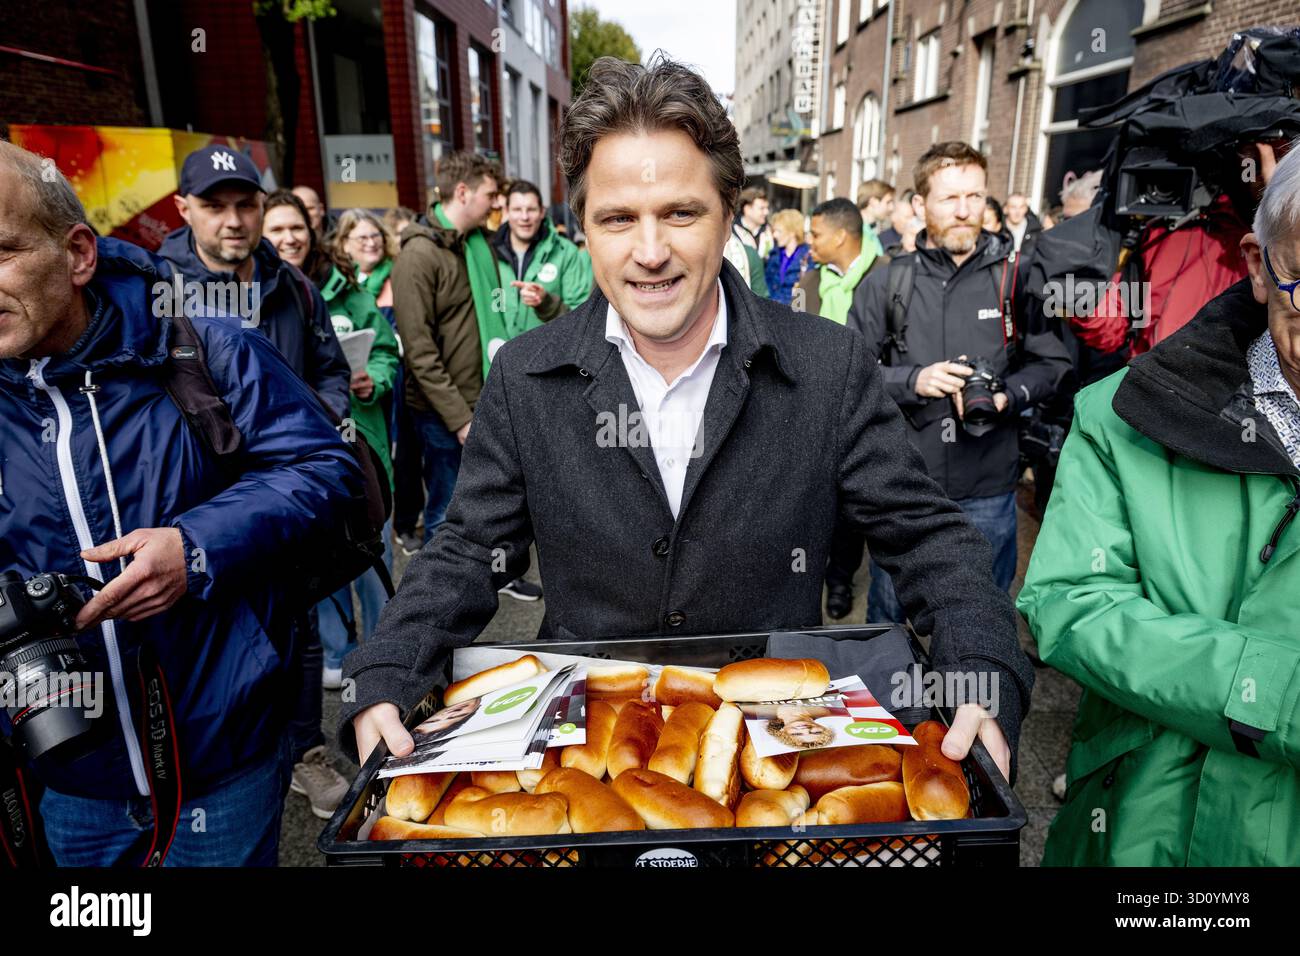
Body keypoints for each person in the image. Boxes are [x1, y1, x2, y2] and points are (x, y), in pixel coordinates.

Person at [345, 56, 1034, 786]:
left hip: (772, 761)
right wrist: (385, 671)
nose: (649, 252)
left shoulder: (827, 366)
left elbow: (926, 535)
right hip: (590, 761)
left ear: (729, 214)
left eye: (680, 212)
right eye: (617, 219)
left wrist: (982, 665)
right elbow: (467, 548)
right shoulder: (525, 373)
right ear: (582, 226)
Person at [0, 141, 363, 865]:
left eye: (2, 251)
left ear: (77, 254)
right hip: (70, 780)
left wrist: (195, 548)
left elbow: (328, 467)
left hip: (220, 759)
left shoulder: (207, 346)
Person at [1016, 141, 1300, 866]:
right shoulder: (1118, 415)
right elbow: (1068, 599)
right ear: (1260, 267)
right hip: (1141, 838)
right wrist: (1270, 688)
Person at [159, 147, 354, 819]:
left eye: (246, 204)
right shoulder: (157, 295)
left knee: (298, 633)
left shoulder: (292, 285)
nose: (234, 221)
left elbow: (328, 364)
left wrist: (316, 419)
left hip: (287, 507)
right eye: (215, 206)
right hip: (201, 513)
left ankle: (305, 754)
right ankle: (211, 779)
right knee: (216, 649)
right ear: (184, 209)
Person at [848, 141, 1071, 624]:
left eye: (974, 196)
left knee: (983, 620)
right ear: (919, 205)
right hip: (905, 487)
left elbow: (1053, 364)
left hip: (989, 485)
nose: (964, 211)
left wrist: (1007, 396)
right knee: (891, 622)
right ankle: (895, 702)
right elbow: (847, 377)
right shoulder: (885, 283)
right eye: (950, 199)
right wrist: (913, 380)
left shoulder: (1018, 277)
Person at [264, 194, 400, 711]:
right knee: (322, 566)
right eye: (277, 229)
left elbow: (386, 349)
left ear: (313, 229)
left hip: (359, 449)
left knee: (373, 558)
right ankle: (340, 656)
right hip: (298, 459)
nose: (289, 239)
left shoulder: (347, 289)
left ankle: (387, 655)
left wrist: (375, 380)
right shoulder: (255, 296)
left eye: (296, 227)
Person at [390, 152, 512, 568]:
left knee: (480, 504)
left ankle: (478, 578)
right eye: (490, 195)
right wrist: (460, 420)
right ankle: (435, 606)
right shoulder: (418, 256)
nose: (497, 204)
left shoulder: (474, 245)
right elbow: (419, 352)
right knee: (444, 511)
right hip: (443, 413)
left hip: (482, 397)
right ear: (462, 192)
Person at [795, 197, 885, 619]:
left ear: (840, 235)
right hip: (812, 411)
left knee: (853, 505)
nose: (808, 242)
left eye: (815, 234)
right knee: (814, 501)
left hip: (867, 408)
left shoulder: (887, 276)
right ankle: (806, 578)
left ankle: (839, 580)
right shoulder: (809, 283)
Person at [491, 179, 594, 338]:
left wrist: (547, 302)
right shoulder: (490, 251)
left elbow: (580, 315)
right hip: (498, 355)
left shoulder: (565, 252)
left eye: (531, 209)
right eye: (517, 209)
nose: (524, 217)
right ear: (507, 211)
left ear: (542, 212)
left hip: (548, 356)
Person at [763, 208, 812, 306]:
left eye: (779, 231)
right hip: (772, 311)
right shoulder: (773, 256)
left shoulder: (808, 256)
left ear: (792, 232)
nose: (774, 235)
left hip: (795, 314)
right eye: (774, 231)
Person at [727, 186, 771, 296]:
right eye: (761, 208)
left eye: (767, 208)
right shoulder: (731, 233)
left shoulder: (770, 234)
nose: (766, 212)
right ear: (747, 209)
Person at [855, 178, 892, 258]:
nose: (891, 208)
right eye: (888, 202)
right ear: (873, 202)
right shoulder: (857, 232)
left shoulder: (868, 230)